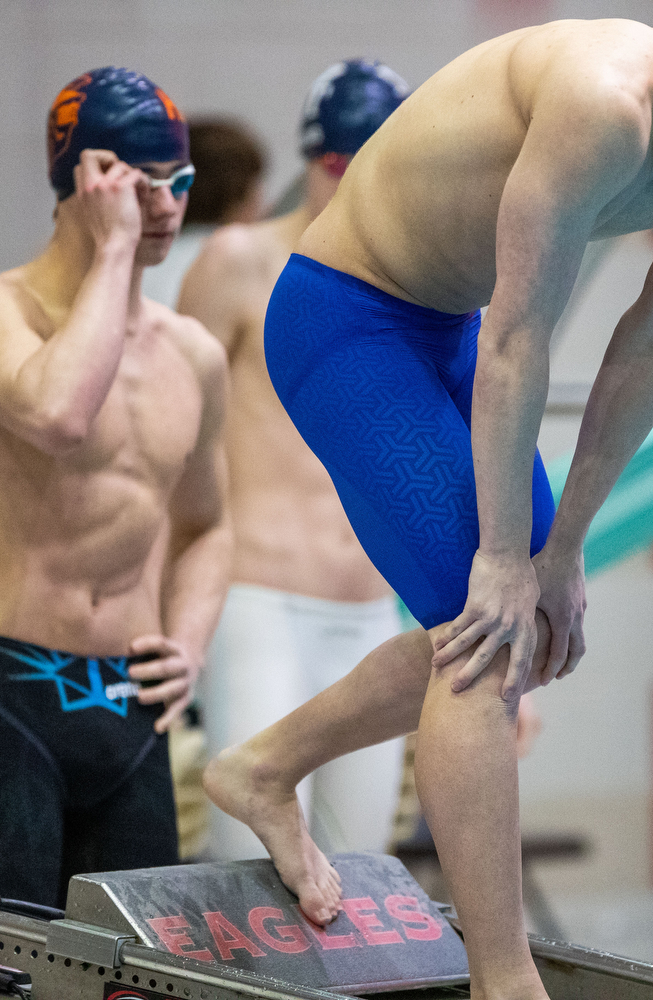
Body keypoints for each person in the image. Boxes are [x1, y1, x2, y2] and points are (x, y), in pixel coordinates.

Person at [203, 26, 653, 1000]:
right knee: (482, 634)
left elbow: (651, 344)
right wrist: (500, 554)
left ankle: (265, 765)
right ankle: (504, 979)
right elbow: (521, 343)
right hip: (348, 317)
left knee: (509, 622)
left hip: (449, 324)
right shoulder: (605, 103)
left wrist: (562, 551)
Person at [0, 67, 231, 908]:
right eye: (144, 183)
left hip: (131, 712)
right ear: (85, 180)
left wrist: (192, 644)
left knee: (133, 980)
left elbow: (208, 524)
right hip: (13, 697)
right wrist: (112, 248)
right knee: (16, 970)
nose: (167, 205)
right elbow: (58, 413)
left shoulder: (193, 354)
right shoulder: (7, 315)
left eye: (182, 182)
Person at [178, 60, 411, 861]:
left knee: (360, 878)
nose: (352, 187)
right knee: (252, 874)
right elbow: (175, 444)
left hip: (375, 619)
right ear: (312, 160)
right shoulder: (239, 262)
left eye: (376, 167)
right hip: (260, 607)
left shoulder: (428, 286)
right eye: (338, 167)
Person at [143, 117, 268, 308]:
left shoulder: (145, 263)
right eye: (256, 189)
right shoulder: (242, 266)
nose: (263, 204)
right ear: (238, 196)